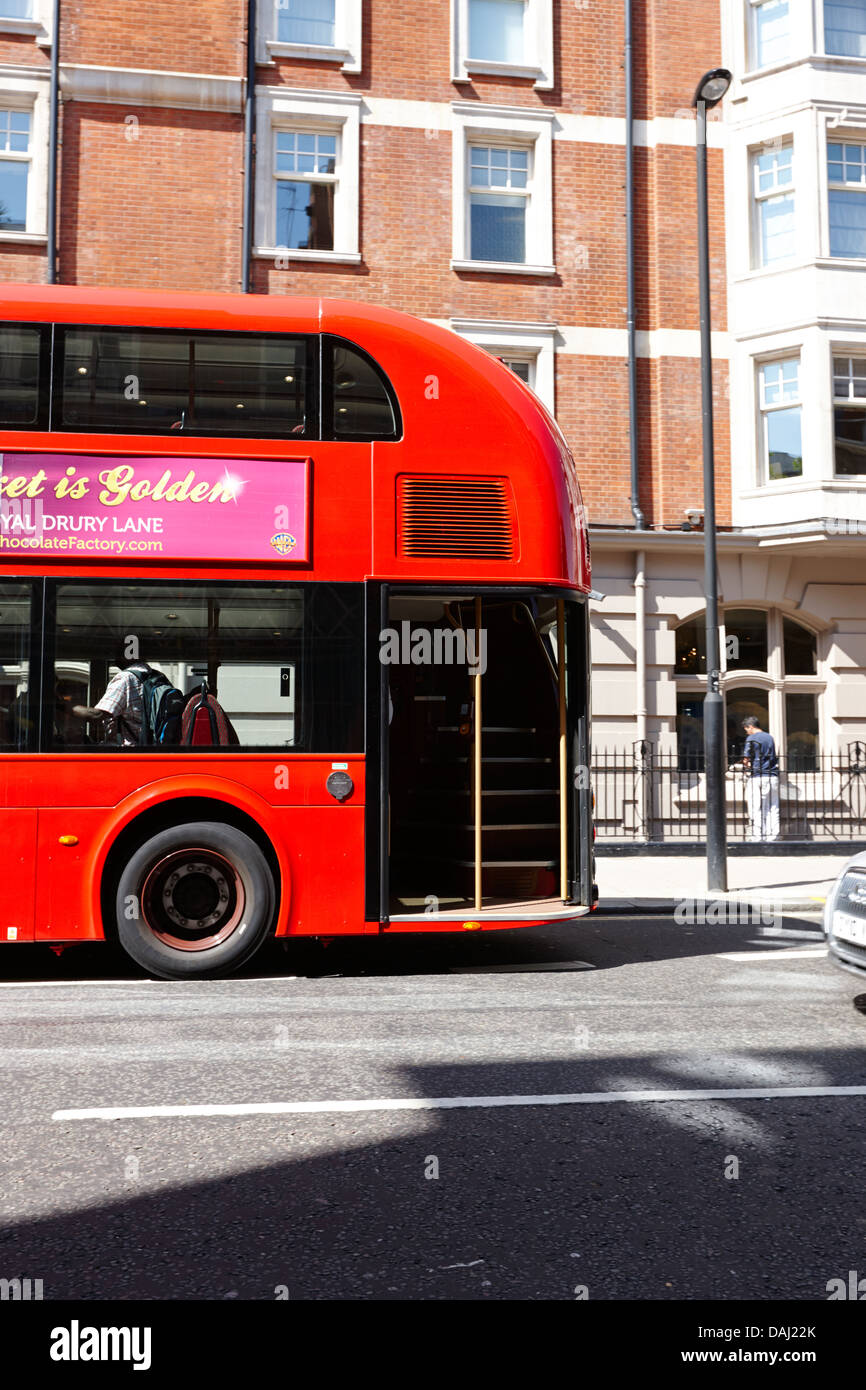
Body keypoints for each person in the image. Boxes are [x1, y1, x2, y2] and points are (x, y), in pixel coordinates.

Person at [71, 665, 145, 746]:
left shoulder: (126, 678)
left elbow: (97, 715)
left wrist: (63, 705)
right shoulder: (153, 676)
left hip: (127, 752)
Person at [741, 714, 780, 842]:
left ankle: (758, 836)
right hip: (772, 775)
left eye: (746, 729)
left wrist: (746, 765)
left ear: (750, 726)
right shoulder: (769, 737)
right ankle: (773, 835)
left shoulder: (751, 738)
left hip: (757, 776)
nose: (746, 733)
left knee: (755, 807)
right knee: (772, 806)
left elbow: (746, 759)